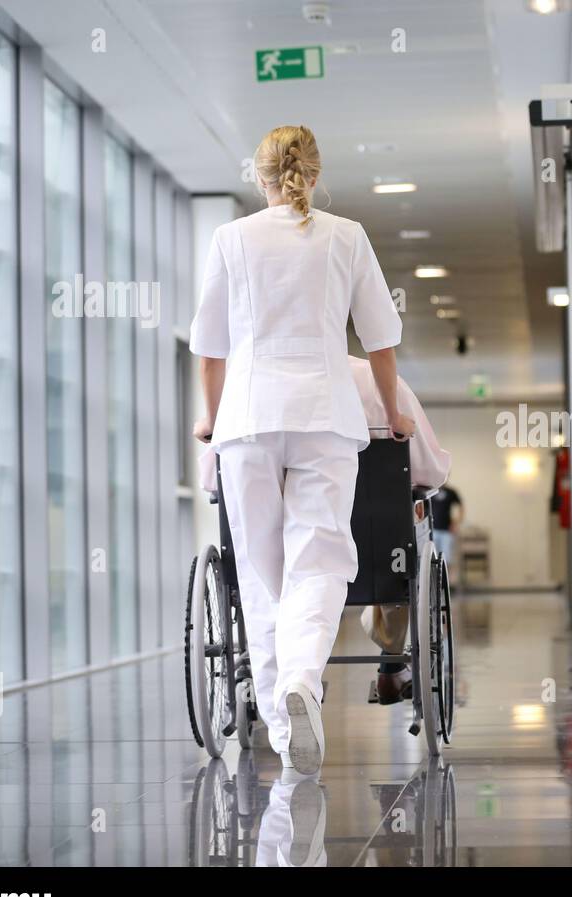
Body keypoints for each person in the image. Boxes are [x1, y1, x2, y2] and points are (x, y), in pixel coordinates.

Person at [190, 125, 415, 776]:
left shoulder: (230, 239)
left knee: (263, 578)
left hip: (248, 421)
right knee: (319, 559)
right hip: (326, 417)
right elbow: (378, 340)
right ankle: (301, 679)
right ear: (314, 175)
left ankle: (287, 730)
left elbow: (212, 347)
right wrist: (394, 412)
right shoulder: (347, 237)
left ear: (259, 178)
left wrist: (210, 418)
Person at [347, 355, 451, 704]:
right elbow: (430, 473)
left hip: (293, 550)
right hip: (377, 549)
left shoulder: (258, 381)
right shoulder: (381, 381)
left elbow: (216, 479)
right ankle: (391, 666)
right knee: (403, 549)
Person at [430, 484, 463, 566]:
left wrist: (456, 523)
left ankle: (446, 578)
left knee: (447, 558)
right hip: (432, 529)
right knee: (432, 558)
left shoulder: (451, 492)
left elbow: (461, 507)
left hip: (447, 531)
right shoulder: (430, 490)